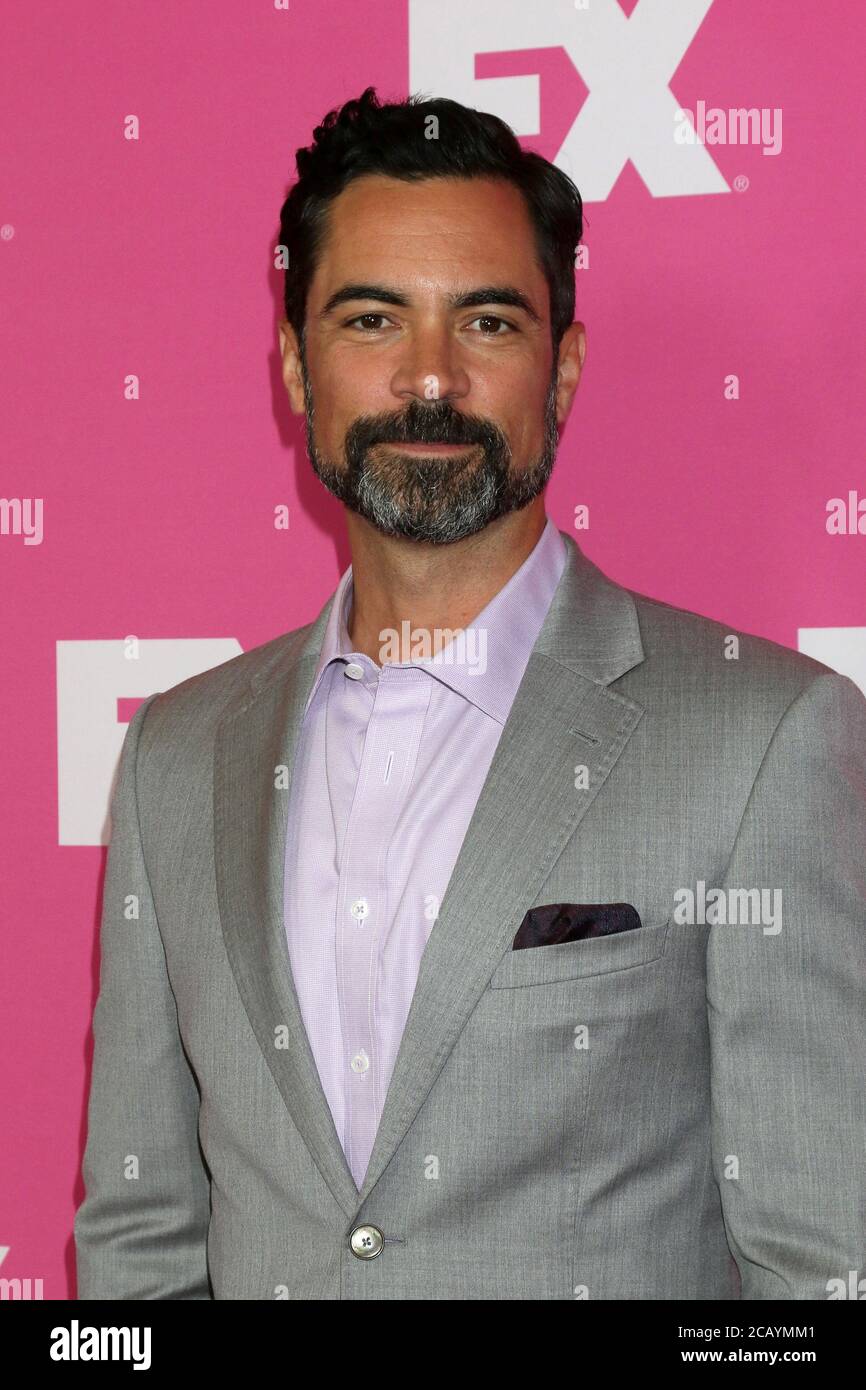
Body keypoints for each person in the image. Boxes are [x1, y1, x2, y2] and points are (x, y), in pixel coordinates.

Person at [74, 87, 866, 1300]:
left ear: (562, 370)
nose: (429, 379)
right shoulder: (178, 753)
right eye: (372, 319)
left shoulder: (765, 738)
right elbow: (138, 1237)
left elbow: (821, 1271)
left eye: (487, 322)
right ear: (295, 365)